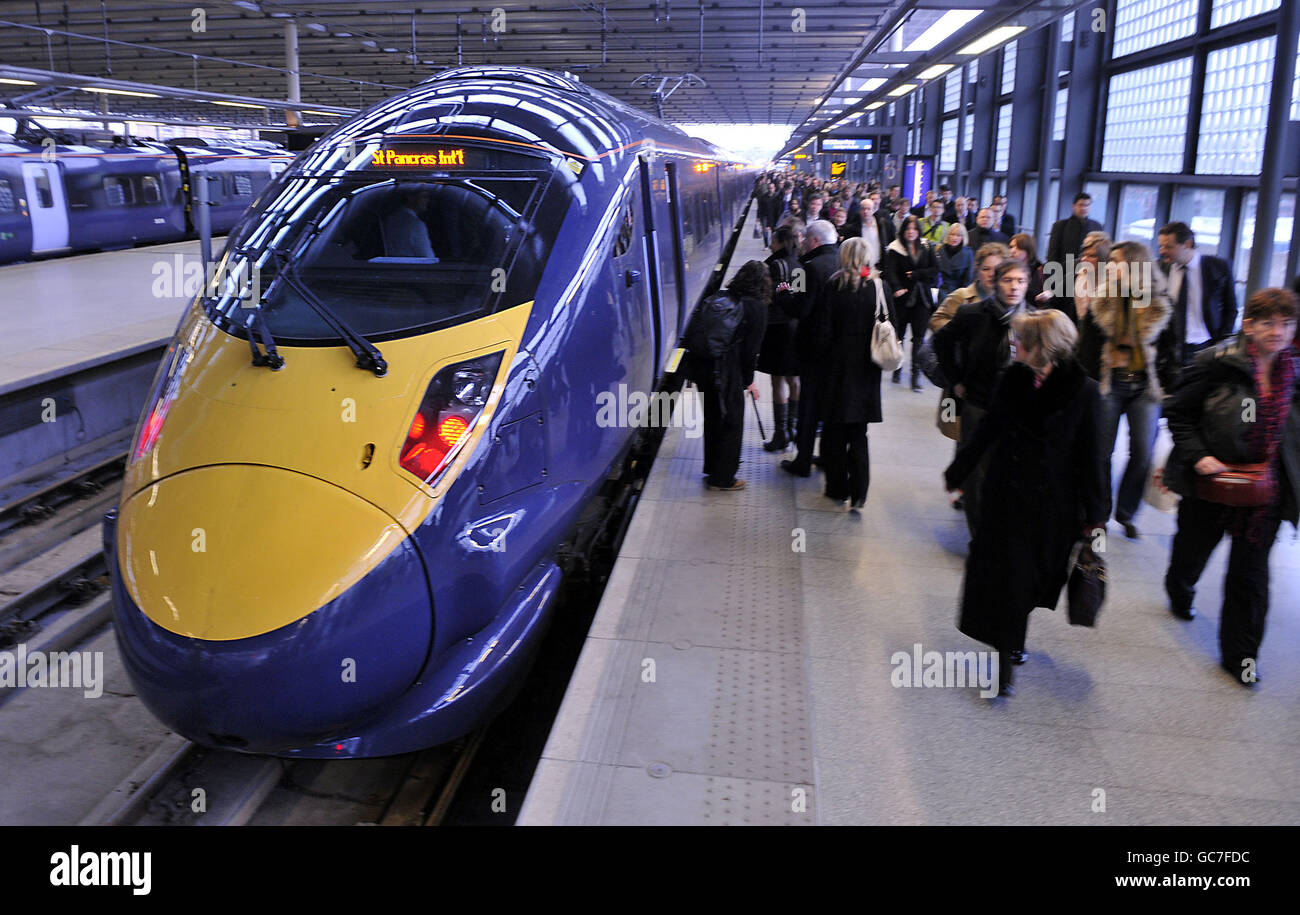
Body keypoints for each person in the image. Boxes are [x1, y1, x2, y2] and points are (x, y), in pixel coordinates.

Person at [944, 309, 1108, 696]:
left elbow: (1094, 457)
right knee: (1007, 579)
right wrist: (959, 471)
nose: (1013, 345)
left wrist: (1097, 515)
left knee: (1033, 580)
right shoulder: (1013, 379)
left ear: (1042, 347)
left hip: (1054, 506)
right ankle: (1006, 656)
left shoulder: (1084, 392)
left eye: (1020, 341)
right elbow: (988, 429)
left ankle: (1012, 634)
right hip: (1005, 495)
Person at [1161, 288, 1300, 687]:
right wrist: (1198, 456)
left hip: (1265, 491)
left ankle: (1241, 658)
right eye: (1269, 322)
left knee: (1251, 576)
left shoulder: (1294, 371)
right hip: (1215, 483)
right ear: (1249, 325)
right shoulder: (1216, 362)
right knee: (1192, 551)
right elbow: (1178, 412)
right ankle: (1180, 586)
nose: (1279, 331)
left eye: (1287, 323)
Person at [932, 259, 1039, 537]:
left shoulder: (1035, 320)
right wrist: (955, 380)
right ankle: (979, 536)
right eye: (1008, 280)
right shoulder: (973, 314)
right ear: (996, 282)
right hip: (979, 402)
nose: (1014, 287)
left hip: (1019, 408)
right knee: (977, 472)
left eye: (1020, 281)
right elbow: (941, 342)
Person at [1092, 241, 1172, 539]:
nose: (1109, 266)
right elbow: (1091, 341)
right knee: (1102, 452)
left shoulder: (1157, 299)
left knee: (1142, 453)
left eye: (1116, 261)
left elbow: (1166, 343)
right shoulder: (1104, 297)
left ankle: (1126, 512)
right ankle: (1098, 513)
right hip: (1109, 381)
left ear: (1135, 265)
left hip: (1144, 386)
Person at [816, 237, 889, 510]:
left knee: (835, 432)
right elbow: (889, 321)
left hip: (837, 368)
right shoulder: (879, 287)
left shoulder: (833, 286)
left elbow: (823, 332)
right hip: (868, 368)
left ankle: (838, 489)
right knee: (859, 432)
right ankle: (860, 493)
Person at [695, 260, 769, 491]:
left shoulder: (723, 296)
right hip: (728, 373)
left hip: (705, 367)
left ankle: (711, 469)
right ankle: (724, 478)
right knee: (732, 423)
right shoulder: (757, 307)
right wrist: (748, 381)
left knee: (713, 418)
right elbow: (750, 351)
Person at [780, 219, 841, 477]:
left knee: (809, 406)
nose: (802, 243)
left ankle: (802, 461)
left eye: (805, 239)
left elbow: (800, 310)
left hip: (813, 349)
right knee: (830, 405)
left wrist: (784, 295)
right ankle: (828, 457)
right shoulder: (842, 262)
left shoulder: (807, 268)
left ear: (815, 241)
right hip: (838, 350)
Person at [1156, 221, 1240, 369]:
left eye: (1168, 246)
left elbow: (1231, 307)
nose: (1162, 251)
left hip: (1206, 345)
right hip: (1171, 347)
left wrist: (1220, 341)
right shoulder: (1160, 268)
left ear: (1187, 244)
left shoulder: (1218, 267)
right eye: (1160, 246)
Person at [884, 215, 939, 392]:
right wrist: (897, 287)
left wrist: (917, 274)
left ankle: (916, 375)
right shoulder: (895, 248)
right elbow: (890, 272)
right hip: (902, 298)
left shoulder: (926, 246)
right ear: (903, 231)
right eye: (908, 229)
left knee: (919, 338)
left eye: (914, 229)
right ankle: (897, 368)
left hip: (922, 298)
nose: (911, 232)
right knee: (899, 336)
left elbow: (935, 270)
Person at [759, 225, 802, 452]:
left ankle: (780, 433)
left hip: (777, 328)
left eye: (773, 239)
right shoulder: (799, 262)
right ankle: (793, 428)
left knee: (777, 380)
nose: (771, 242)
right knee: (794, 379)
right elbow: (799, 296)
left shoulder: (775, 264)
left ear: (779, 242)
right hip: (796, 326)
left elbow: (768, 297)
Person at [1073, 231, 1112, 380]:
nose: (1084, 259)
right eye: (1084, 254)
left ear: (1103, 258)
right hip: (1080, 335)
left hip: (1101, 343)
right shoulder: (1081, 273)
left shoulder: (1113, 282)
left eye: (1091, 256)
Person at [383, 187, 437, 259]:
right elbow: (427, 256)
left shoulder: (389, 219)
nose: (427, 201)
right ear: (410, 198)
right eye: (424, 197)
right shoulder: (416, 225)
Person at [1009, 233, 1053, 310]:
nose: (1013, 251)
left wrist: (1049, 294)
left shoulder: (1042, 270)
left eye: (1018, 247)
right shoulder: (1007, 269)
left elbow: (1054, 294)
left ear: (1028, 250)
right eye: (1011, 247)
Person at [936, 222, 973, 304]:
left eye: (958, 235)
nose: (954, 238)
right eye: (952, 234)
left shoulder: (968, 253)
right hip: (940, 290)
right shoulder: (940, 250)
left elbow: (968, 279)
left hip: (959, 292)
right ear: (947, 235)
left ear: (963, 238)